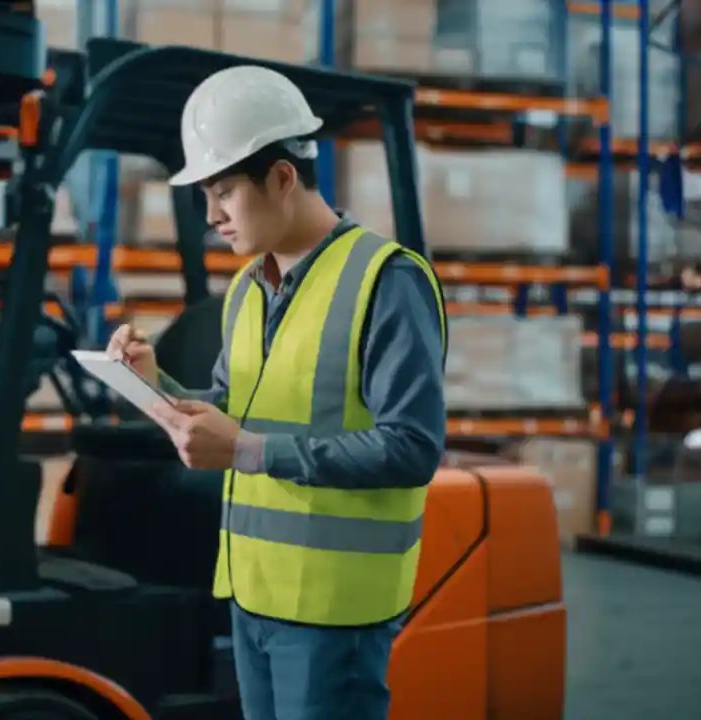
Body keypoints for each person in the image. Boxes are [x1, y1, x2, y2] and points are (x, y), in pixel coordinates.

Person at [105, 65, 448, 720]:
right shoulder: (247, 290)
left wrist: (250, 451)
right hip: (254, 593)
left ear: (283, 178)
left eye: (224, 192)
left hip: (332, 608)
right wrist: (154, 386)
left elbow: (411, 448)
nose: (211, 216)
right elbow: (236, 414)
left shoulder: (386, 280)